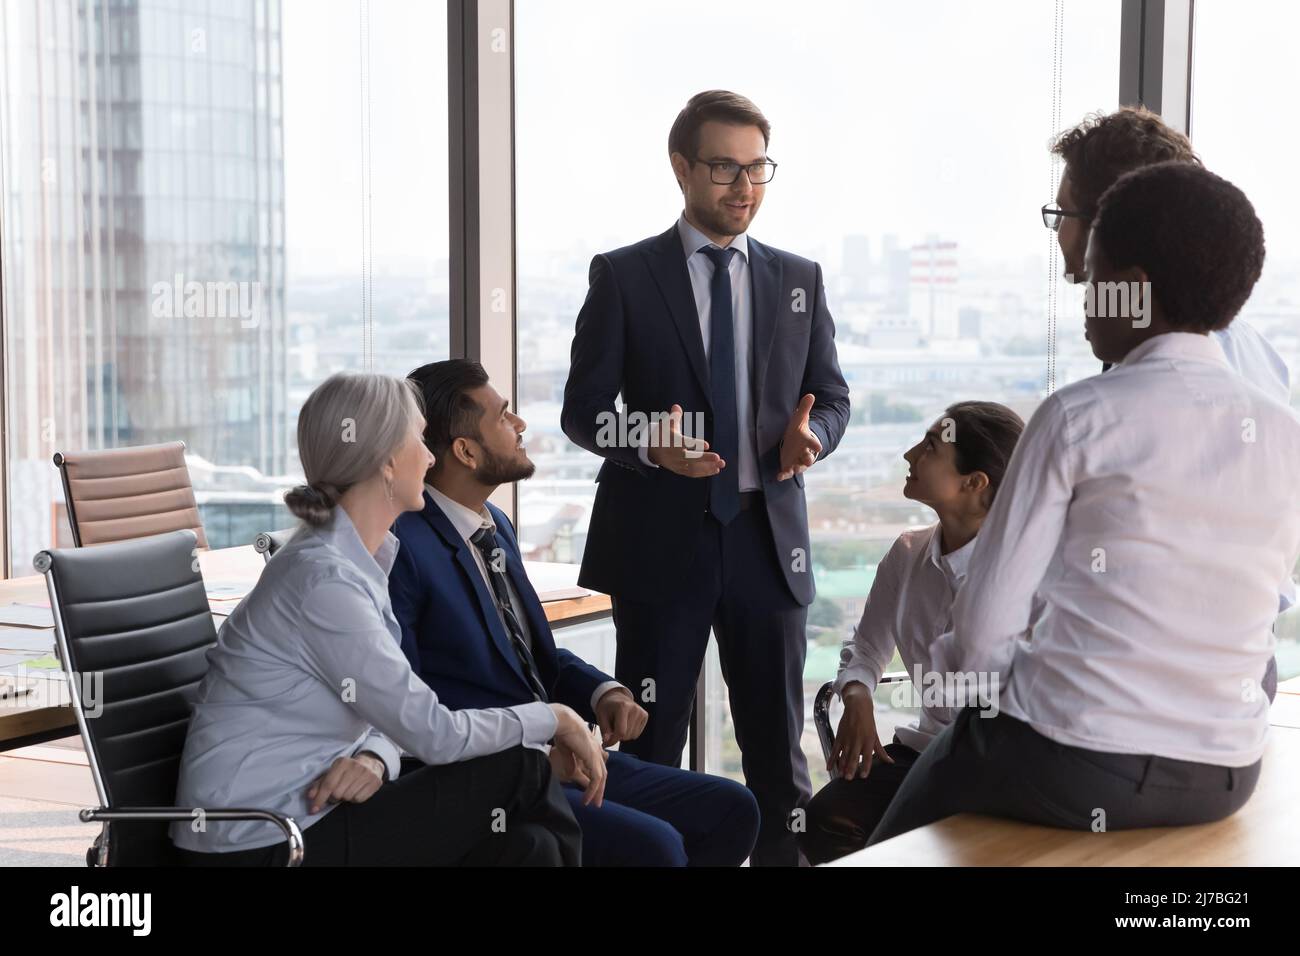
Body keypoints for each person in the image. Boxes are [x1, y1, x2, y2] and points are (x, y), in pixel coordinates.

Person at [867, 162, 1300, 847]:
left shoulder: (1078, 416)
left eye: (1095, 276)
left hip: (1075, 761)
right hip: (1224, 775)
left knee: (899, 830)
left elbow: (981, 635)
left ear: (1132, 289)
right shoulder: (1283, 432)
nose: (1085, 298)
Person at [560, 89, 850, 866]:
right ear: (682, 168)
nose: (744, 187)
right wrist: (647, 443)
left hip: (766, 541)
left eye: (758, 168)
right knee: (652, 757)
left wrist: (811, 441)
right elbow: (583, 412)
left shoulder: (800, 278)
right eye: (725, 167)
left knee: (777, 763)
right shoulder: (624, 276)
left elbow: (834, 396)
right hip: (661, 547)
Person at [172, 371, 605, 866]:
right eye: (418, 441)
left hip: (312, 808)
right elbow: (434, 733)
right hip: (260, 841)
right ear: (384, 463)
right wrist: (556, 717)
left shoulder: (359, 559)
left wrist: (375, 757)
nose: (428, 456)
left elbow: (390, 706)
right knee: (523, 770)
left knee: (529, 846)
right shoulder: (326, 580)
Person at [389, 359, 760, 866]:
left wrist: (602, 691)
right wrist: (541, 754)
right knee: (657, 847)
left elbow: (523, 655)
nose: (520, 425)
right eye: (503, 417)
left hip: (556, 752)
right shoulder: (403, 548)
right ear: (465, 450)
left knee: (732, 808)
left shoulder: (492, 522)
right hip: (485, 776)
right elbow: (411, 707)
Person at [1045, 105, 1294, 699]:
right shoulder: (1190, 346)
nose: (1058, 231)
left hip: (1174, 685)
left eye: (1064, 213)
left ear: (1115, 224)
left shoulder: (1201, 366)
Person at [798, 402, 1023, 865]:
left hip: (1004, 768)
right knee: (825, 820)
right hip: (925, 753)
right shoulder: (908, 553)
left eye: (930, 447)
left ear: (974, 483)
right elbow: (864, 647)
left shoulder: (1024, 572)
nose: (909, 454)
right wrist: (858, 695)